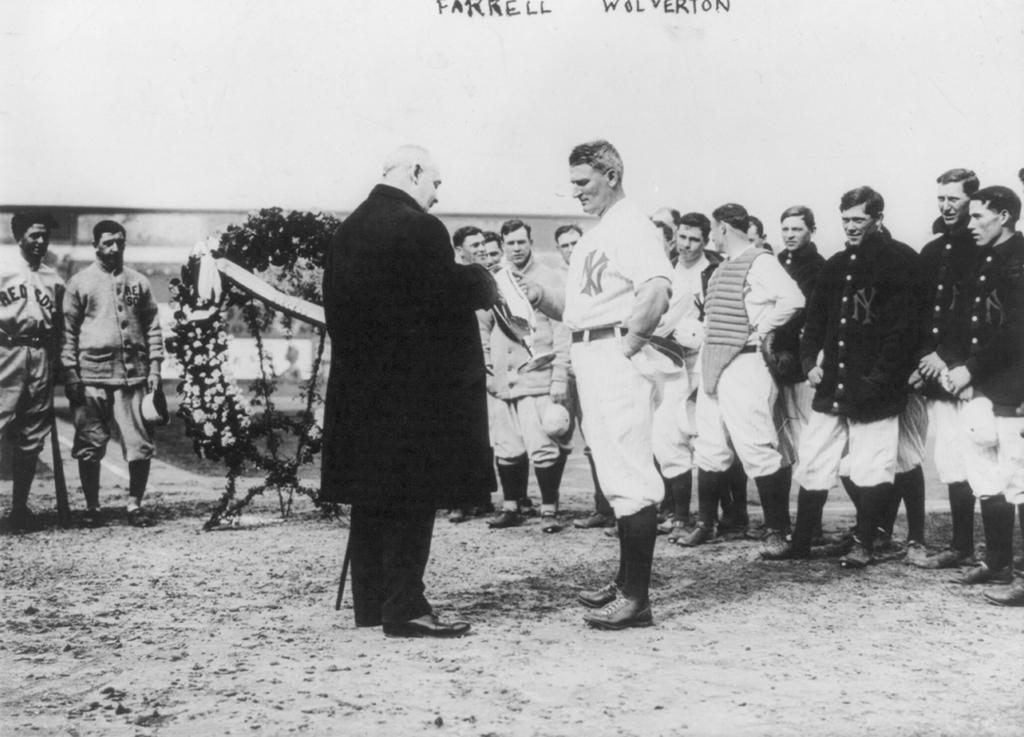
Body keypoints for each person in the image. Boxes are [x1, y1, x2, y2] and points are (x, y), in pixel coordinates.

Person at [320, 144, 497, 638]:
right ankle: (406, 607)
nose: (437, 196)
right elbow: (441, 297)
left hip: (360, 393)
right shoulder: (420, 227)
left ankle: (371, 605)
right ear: (415, 172)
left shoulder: (347, 230)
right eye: (435, 183)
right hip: (411, 396)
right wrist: (481, 278)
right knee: (412, 498)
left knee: (371, 498)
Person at [526, 139, 674, 629]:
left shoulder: (633, 225)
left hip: (614, 354)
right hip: (591, 351)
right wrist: (537, 294)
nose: (576, 192)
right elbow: (578, 312)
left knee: (629, 474)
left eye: (583, 182)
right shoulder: (600, 232)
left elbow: (657, 289)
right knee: (613, 471)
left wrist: (629, 345)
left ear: (611, 175)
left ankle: (637, 599)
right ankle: (624, 581)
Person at [793, 187, 918, 569]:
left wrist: (878, 381)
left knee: (871, 465)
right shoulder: (835, 264)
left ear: (878, 219)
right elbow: (814, 322)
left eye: (858, 220)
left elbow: (902, 333)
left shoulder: (900, 260)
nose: (850, 227)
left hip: (877, 390)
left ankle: (865, 543)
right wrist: (808, 363)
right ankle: (800, 542)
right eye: (845, 220)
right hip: (833, 384)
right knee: (813, 458)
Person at [680, 204, 803, 556]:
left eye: (713, 230)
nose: (711, 236)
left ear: (722, 228)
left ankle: (777, 530)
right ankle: (706, 523)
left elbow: (794, 299)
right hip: (714, 360)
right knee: (710, 444)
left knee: (756, 445)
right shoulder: (722, 268)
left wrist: (762, 328)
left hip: (747, 362)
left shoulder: (761, 261)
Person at [947, 186, 1024, 604]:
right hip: (981, 388)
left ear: (1005, 216)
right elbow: (966, 321)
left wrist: (971, 368)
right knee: (985, 476)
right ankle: (998, 563)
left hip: (1013, 385)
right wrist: (957, 364)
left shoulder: (1020, 258)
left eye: (979, 216)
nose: (971, 223)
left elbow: (1015, 331)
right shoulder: (984, 258)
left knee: (1019, 479)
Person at [62, 220, 163, 528]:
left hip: (133, 376)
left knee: (138, 443)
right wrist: (70, 372)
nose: (114, 248)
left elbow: (153, 326)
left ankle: (135, 505)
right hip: (91, 376)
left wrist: (155, 367)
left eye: (120, 242)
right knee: (89, 443)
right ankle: (92, 507)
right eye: (107, 242)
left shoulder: (139, 282)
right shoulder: (80, 282)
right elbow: (67, 332)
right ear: (96, 245)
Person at [908, 169, 982, 569]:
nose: (946, 206)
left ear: (972, 199)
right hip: (937, 373)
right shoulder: (932, 251)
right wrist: (925, 357)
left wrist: (948, 356)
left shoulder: (984, 246)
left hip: (973, 372)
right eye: (941, 198)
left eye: (954, 198)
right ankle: (962, 546)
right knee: (951, 458)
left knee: (987, 458)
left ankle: (1003, 556)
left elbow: (978, 316)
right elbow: (921, 312)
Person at [482, 219, 571, 532]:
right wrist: (486, 366)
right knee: (507, 447)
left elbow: (562, 328)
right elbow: (483, 326)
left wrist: (560, 375)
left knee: (543, 446)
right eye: (510, 243)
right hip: (503, 377)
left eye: (522, 242)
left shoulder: (549, 277)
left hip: (537, 375)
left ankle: (549, 510)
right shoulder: (495, 278)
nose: (516, 248)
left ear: (531, 242)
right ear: (503, 245)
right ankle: (511, 506)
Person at [761, 206, 830, 559]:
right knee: (780, 446)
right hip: (777, 365)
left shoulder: (820, 268)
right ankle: (783, 524)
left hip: (803, 367)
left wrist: (807, 359)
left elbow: (817, 319)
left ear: (811, 230)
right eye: (785, 228)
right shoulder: (776, 265)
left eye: (797, 229)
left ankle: (811, 526)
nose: (789, 235)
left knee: (808, 446)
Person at [1, 212, 63, 531]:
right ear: (19, 237)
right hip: (5, 350)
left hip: (39, 353)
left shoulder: (54, 279)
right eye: (34, 235)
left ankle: (19, 509)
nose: (41, 241)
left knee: (32, 432)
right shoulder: (2, 267)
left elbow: (60, 326)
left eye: (44, 235)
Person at [553, 224, 616, 531]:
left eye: (575, 243)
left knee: (604, 436)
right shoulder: (557, 280)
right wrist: (560, 371)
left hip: (597, 363)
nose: (570, 249)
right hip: (568, 368)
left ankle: (616, 507)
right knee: (575, 436)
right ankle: (600, 507)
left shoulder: (596, 273)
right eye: (564, 245)